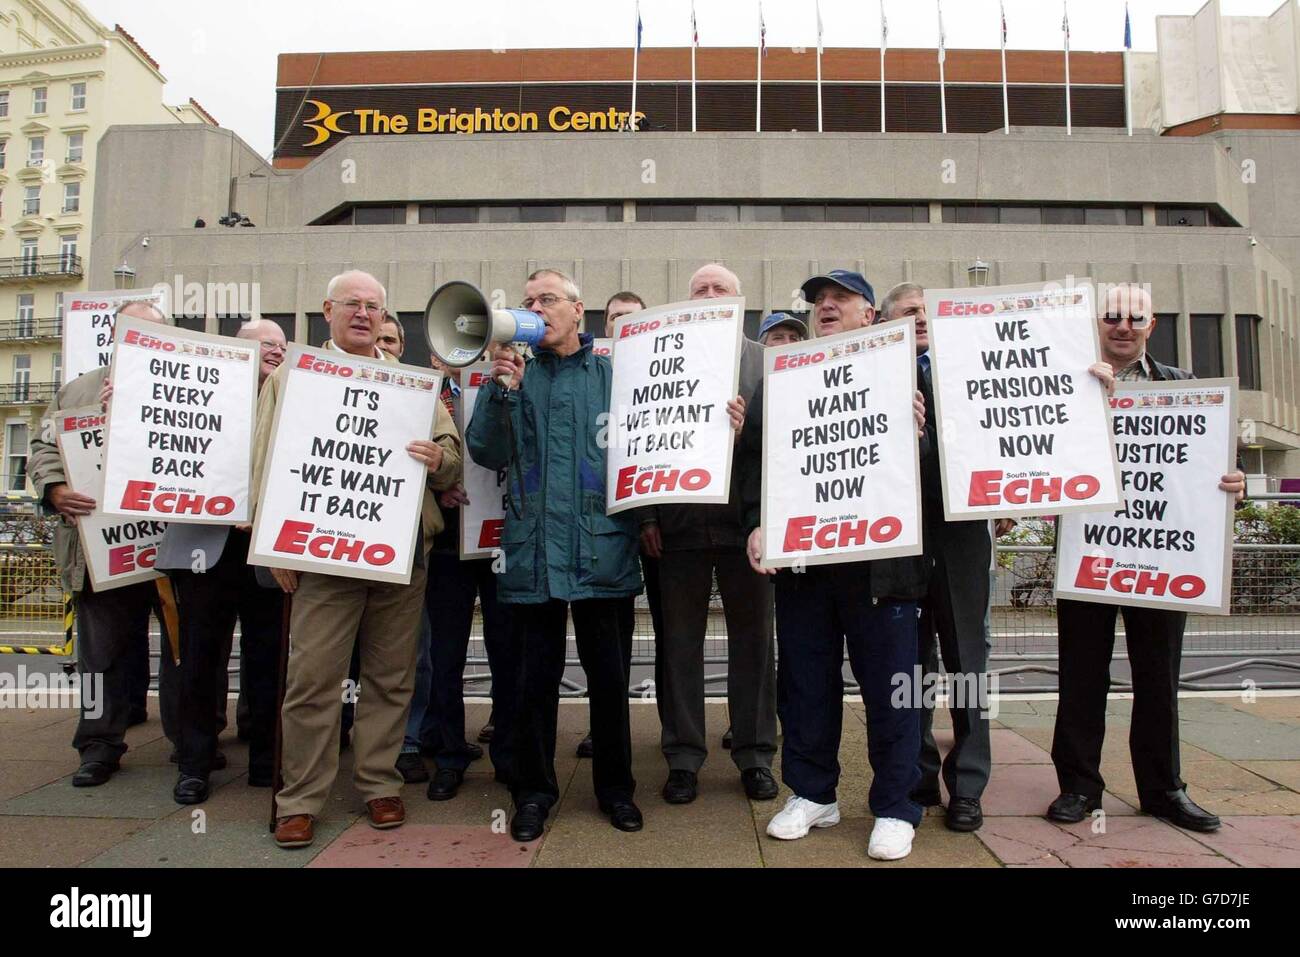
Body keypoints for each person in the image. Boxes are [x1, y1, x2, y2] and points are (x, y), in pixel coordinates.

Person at [253, 270, 463, 849]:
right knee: (313, 682)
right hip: (322, 560)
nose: (364, 314)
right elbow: (265, 454)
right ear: (328, 310)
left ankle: (378, 783)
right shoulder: (295, 375)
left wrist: (437, 457)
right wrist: (272, 548)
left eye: (374, 306)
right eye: (353, 304)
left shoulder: (414, 383)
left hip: (399, 559)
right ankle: (299, 800)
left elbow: (452, 456)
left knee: (390, 681)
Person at [739, 269, 930, 860]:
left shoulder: (906, 371)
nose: (825, 307)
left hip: (881, 567)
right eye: (819, 300)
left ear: (868, 314)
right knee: (804, 684)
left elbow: (944, 466)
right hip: (806, 565)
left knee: (893, 689)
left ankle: (898, 806)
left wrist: (919, 436)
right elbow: (757, 461)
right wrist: (756, 520)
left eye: (839, 299)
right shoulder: (784, 378)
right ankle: (814, 794)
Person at [1047, 282, 1245, 833]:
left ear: (1151, 325)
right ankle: (1079, 788)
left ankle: (1163, 789)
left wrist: (1233, 482)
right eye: (1112, 316)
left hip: (1161, 556)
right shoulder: (1068, 384)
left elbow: (1207, 464)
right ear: (1098, 323)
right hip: (1089, 553)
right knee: (1080, 676)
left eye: (1134, 318)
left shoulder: (1184, 387)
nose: (1122, 326)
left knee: (1158, 677)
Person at [466, 268, 648, 841]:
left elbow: (647, 447)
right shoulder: (513, 377)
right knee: (530, 684)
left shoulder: (614, 374)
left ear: (577, 309)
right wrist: (502, 392)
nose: (534, 307)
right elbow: (487, 450)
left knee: (611, 680)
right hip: (532, 556)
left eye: (546, 298)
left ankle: (616, 791)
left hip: (603, 550)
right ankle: (533, 792)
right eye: (527, 301)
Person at [640, 263, 779, 805]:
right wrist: (647, 515)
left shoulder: (768, 363)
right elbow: (642, 436)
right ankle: (682, 757)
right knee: (678, 646)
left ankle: (755, 755)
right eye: (701, 290)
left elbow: (789, 447)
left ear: (740, 301)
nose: (711, 295)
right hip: (677, 526)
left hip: (748, 527)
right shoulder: (659, 356)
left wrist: (750, 433)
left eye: (721, 288)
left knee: (754, 647)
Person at [27, 300, 175, 788]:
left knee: (183, 648)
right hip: (99, 546)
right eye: (130, 330)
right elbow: (44, 447)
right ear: (114, 335)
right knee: (100, 653)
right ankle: (98, 745)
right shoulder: (78, 391)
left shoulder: (188, 390)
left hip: (172, 546)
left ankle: (191, 740)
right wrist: (55, 489)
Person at [879, 281, 1001, 832]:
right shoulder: (871, 375)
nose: (920, 318)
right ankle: (920, 774)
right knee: (911, 666)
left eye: (927, 311)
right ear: (888, 322)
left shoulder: (976, 372)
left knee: (966, 661)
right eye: (908, 312)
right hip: (898, 537)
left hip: (961, 535)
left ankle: (968, 785)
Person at [156, 319, 288, 804]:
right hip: (202, 550)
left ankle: (265, 762)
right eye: (265, 345)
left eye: (281, 344)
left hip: (266, 553)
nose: (276, 350)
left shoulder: (294, 401)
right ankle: (194, 764)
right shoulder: (188, 395)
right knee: (198, 661)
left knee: (269, 660)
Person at [567, 291, 663, 761]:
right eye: (615, 319)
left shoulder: (666, 374)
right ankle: (600, 728)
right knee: (603, 648)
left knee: (653, 638)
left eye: (632, 319)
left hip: (656, 526)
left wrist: (649, 516)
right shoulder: (593, 377)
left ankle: (663, 732)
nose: (623, 325)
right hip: (598, 533)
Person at [412, 355, 510, 800]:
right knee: (445, 658)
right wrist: (436, 483)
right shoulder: (421, 393)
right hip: (449, 547)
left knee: (507, 654)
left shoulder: (506, 385)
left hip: (499, 541)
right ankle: (450, 756)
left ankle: (508, 752)